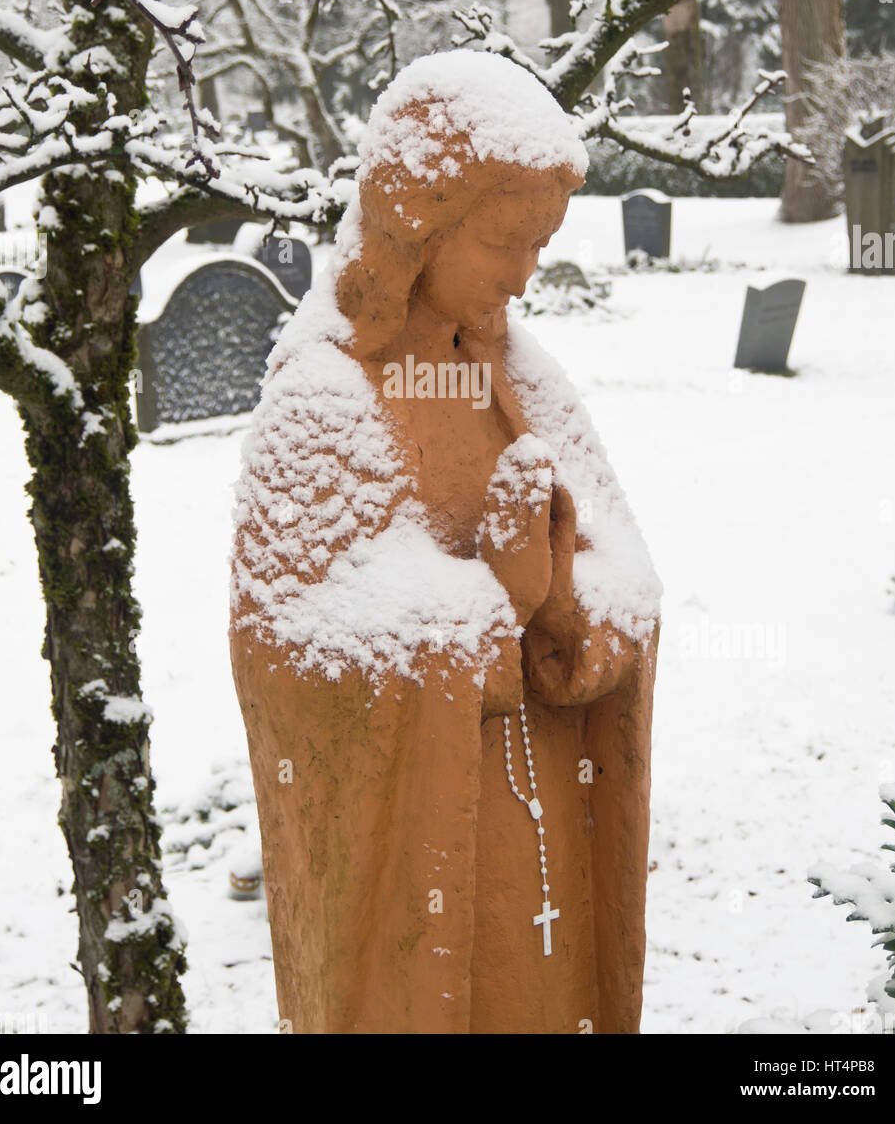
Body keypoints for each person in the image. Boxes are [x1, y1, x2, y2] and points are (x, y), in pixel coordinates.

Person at [229, 50, 661, 1033]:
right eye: (505, 241)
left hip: (550, 841)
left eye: (540, 245)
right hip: (431, 862)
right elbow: (294, 649)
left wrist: (560, 606)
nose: (524, 275)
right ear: (418, 223)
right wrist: (496, 603)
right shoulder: (326, 396)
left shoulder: (523, 378)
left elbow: (631, 583)